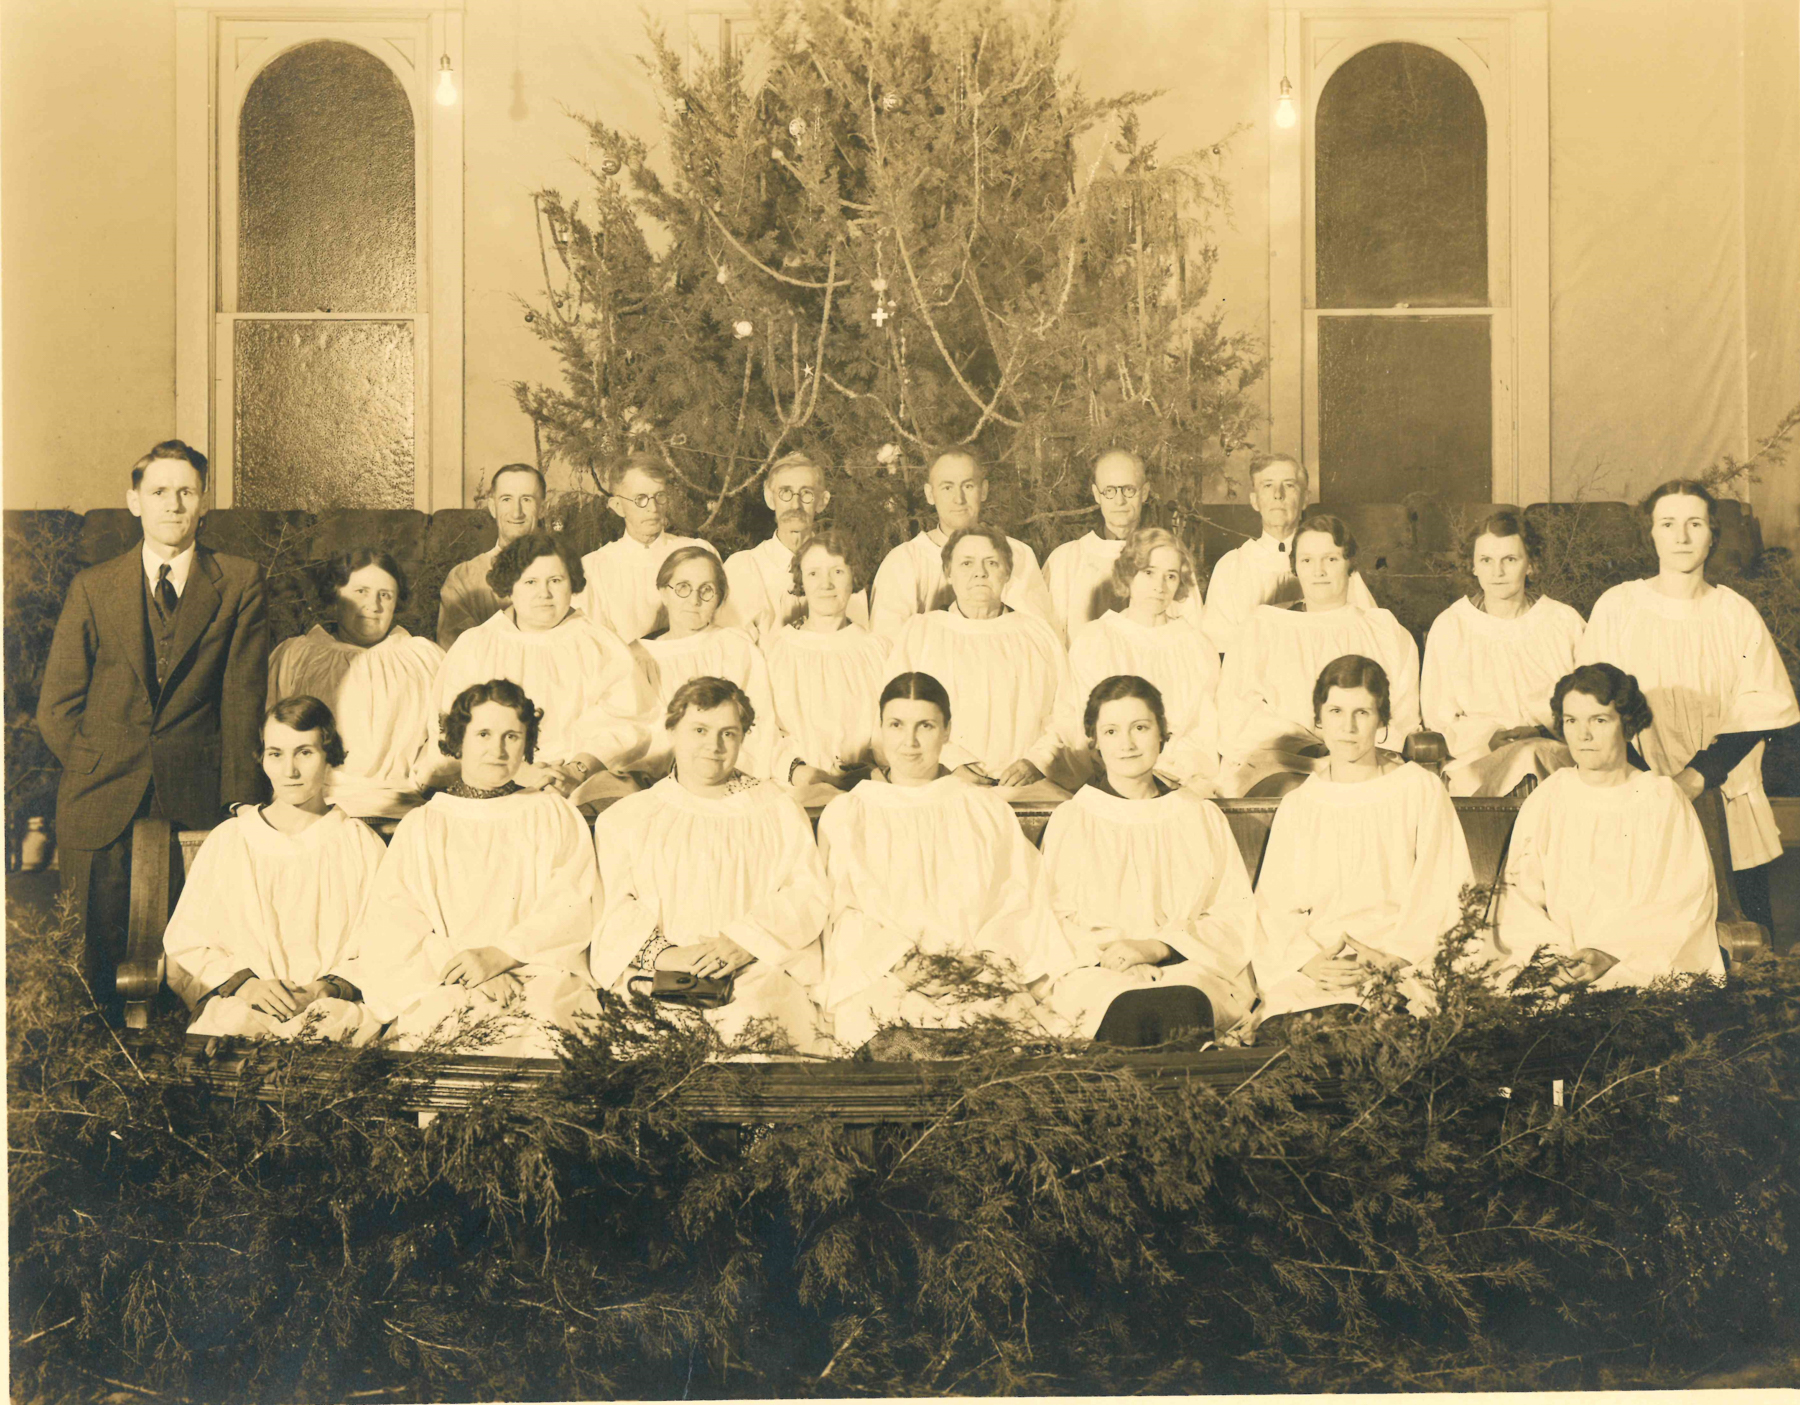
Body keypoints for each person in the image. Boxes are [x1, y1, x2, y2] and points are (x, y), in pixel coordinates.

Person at [37, 439, 269, 1013]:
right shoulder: (94, 586)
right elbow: (57, 705)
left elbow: (243, 699)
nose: (173, 503)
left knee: (192, 963)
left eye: (186, 491)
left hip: (195, 795)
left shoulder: (239, 581)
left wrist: (239, 799)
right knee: (91, 968)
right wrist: (95, 765)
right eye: (159, 491)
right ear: (134, 501)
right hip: (100, 796)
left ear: (203, 502)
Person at [1578, 479, 1800, 931]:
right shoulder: (1618, 608)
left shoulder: (1734, 614)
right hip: (1636, 789)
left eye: (1694, 524)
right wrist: (1648, 784)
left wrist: (1699, 775)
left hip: (1724, 790)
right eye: (1668, 524)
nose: (1681, 536)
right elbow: (1596, 706)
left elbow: (1763, 706)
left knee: (1743, 933)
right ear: (1651, 533)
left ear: (1713, 534)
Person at [817, 673, 1079, 1052]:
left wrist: (980, 960)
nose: (909, 742)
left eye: (925, 726)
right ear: (881, 729)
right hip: (883, 977)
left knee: (1001, 1046)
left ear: (947, 731)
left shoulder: (984, 809)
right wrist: (900, 961)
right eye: (896, 725)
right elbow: (840, 910)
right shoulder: (849, 813)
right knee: (889, 1040)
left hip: (978, 975)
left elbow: (1019, 899)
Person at [352, 679, 602, 1057]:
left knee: (546, 1027)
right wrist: (468, 968)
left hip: (538, 973)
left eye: (511, 737)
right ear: (459, 739)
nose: (497, 750)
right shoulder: (424, 825)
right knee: (440, 1027)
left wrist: (501, 956)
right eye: (483, 734)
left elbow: (571, 905)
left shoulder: (552, 813)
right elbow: (394, 923)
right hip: (445, 977)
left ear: (527, 743)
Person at [589, 677, 827, 1052]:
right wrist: (668, 956)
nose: (713, 747)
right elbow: (615, 908)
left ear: (743, 738)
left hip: (757, 972)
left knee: (756, 1039)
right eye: (699, 730)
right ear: (672, 730)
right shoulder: (628, 818)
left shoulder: (777, 810)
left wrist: (745, 942)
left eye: (728, 733)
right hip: (660, 976)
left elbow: (806, 894)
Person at [1252, 656, 1473, 1039]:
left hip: (1398, 964)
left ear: (1382, 719)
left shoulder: (1418, 790)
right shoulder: (1300, 804)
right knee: (1290, 1029)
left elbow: (1442, 891)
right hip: (1322, 967)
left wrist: (1394, 958)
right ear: (1319, 718)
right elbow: (1274, 908)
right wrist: (1309, 962)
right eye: (1336, 711)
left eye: (1363, 713)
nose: (1348, 727)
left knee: (1376, 1030)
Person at [1040, 677, 1259, 1037]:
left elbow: (1233, 914)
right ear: (1094, 740)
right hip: (1098, 972)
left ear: (1162, 733)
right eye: (1111, 731)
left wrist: (1157, 948)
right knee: (1124, 1007)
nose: (1127, 744)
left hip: (1188, 966)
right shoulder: (1073, 819)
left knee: (1181, 1003)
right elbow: (1053, 919)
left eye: (1140, 728)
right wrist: (1118, 958)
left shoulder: (1200, 816)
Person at [162, 697, 385, 1042]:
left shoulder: (359, 845)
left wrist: (326, 989)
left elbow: (386, 943)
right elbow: (187, 943)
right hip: (242, 1005)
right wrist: (245, 985)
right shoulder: (231, 840)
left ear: (329, 756)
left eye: (305, 752)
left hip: (330, 1008)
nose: (289, 771)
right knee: (227, 1033)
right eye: (276, 754)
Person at [1495, 664, 1721, 989]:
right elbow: (1518, 895)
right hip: (1557, 969)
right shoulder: (1549, 798)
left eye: (1599, 720)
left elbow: (1685, 900)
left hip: (1637, 967)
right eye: (1571, 721)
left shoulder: (1661, 799)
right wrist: (1549, 957)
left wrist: (1610, 953)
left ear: (1626, 725)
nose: (1583, 735)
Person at [426, 531, 655, 795]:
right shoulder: (476, 645)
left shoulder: (600, 644)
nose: (544, 593)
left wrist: (577, 769)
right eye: (530, 582)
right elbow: (452, 725)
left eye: (555, 580)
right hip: (491, 779)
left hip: (580, 782)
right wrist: (519, 771)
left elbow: (628, 721)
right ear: (510, 587)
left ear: (572, 584)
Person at [1215, 513, 1421, 797]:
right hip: (1284, 764)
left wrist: (1351, 748)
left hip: (1368, 761)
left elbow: (1403, 715)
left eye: (1331, 559)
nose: (1318, 571)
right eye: (1307, 561)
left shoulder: (1384, 631)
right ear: (1295, 567)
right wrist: (1310, 746)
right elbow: (1237, 714)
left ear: (1350, 565)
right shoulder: (1262, 628)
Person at [883, 526, 1069, 788]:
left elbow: (1066, 711)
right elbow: (898, 712)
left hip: (1023, 789)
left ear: (1007, 572)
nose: (979, 572)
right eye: (966, 563)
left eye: (991, 563)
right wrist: (948, 762)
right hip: (941, 784)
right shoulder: (921, 632)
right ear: (948, 572)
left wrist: (1037, 762)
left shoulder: (1037, 634)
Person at [267, 548, 444, 817]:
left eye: (385, 595)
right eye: (361, 591)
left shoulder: (424, 659)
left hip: (403, 808)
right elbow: (270, 736)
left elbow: (446, 734)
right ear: (336, 595)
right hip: (312, 809)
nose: (373, 606)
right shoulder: (297, 656)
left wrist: (421, 781)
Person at [1421, 509, 1584, 797]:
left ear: (1531, 565)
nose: (1497, 572)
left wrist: (1540, 732)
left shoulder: (1563, 622)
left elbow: (1588, 703)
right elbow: (1439, 716)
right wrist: (1488, 737)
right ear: (1473, 566)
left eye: (1510, 559)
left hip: (1555, 757)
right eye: (1486, 560)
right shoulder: (1452, 626)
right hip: (1477, 761)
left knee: (1532, 758)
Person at [1058, 529, 1221, 791]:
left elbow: (1204, 729)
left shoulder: (1197, 647)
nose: (1160, 586)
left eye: (1171, 576)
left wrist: (1176, 772)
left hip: (1182, 781)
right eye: (1149, 572)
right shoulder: (1096, 640)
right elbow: (1080, 724)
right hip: (1113, 780)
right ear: (1128, 573)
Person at [1201, 453, 1376, 656]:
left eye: (1289, 485)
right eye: (1268, 485)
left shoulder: (1334, 562)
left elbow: (1366, 634)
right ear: (1254, 500)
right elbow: (1218, 646)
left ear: (1305, 499)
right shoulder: (1232, 566)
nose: (1278, 494)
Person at [869, 449, 1056, 638]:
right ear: (930, 494)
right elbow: (889, 645)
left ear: (983, 490)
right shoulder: (904, 562)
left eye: (968, 486)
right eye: (947, 488)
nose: (959, 499)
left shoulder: (1016, 554)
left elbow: (1038, 638)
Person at [763, 529, 893, 794]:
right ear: (801, 580)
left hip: (864, 791)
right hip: (791, 791)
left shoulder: (878, 650)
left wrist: (874, 768)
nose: (826, 584)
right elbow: (761, 727)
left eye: (838, 571)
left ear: (854, 576)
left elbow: (889, 726)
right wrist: (796, 771)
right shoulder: (776, 649)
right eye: (814, 573)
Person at [635, 547, 778, 779]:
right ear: (663, 592)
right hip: (658, 777)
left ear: (719, 598)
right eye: (683, 587)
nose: (695, 600)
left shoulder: (735, 647)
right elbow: (639, 733)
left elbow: (759, 725)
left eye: (706, 590)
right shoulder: (640, 657)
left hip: (730, 773)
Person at [1041, 449, 1204, 640]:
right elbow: (1048, 642)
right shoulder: (1066, 559)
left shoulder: (1169, 558)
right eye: (1109, 491)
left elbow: (1191, 632)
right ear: (1097, 494)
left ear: (1144, 492)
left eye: (1129, 490)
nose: (1120, 501)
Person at [715, 451, 868, 642]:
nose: (795, 505)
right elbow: (731, 649)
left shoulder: (842, 569)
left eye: (806, 493)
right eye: (785, 492)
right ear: (770, 498)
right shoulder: (743, 568)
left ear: (822, 501)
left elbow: (858, 642)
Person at [576, 454, 719, 643]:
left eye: (660, 496)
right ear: (618, 506)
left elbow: (722, 626)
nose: (653, 508)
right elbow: (591, 644)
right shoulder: (594, 569)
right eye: (640, 499)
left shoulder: (697, 553)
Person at [437, 463, 547, 650]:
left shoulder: (564, 574)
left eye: (527, 499)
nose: (516, 512)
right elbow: (456, 652)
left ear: (543, 508)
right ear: (493, 507)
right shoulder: (464, 578)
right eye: (506, 499)